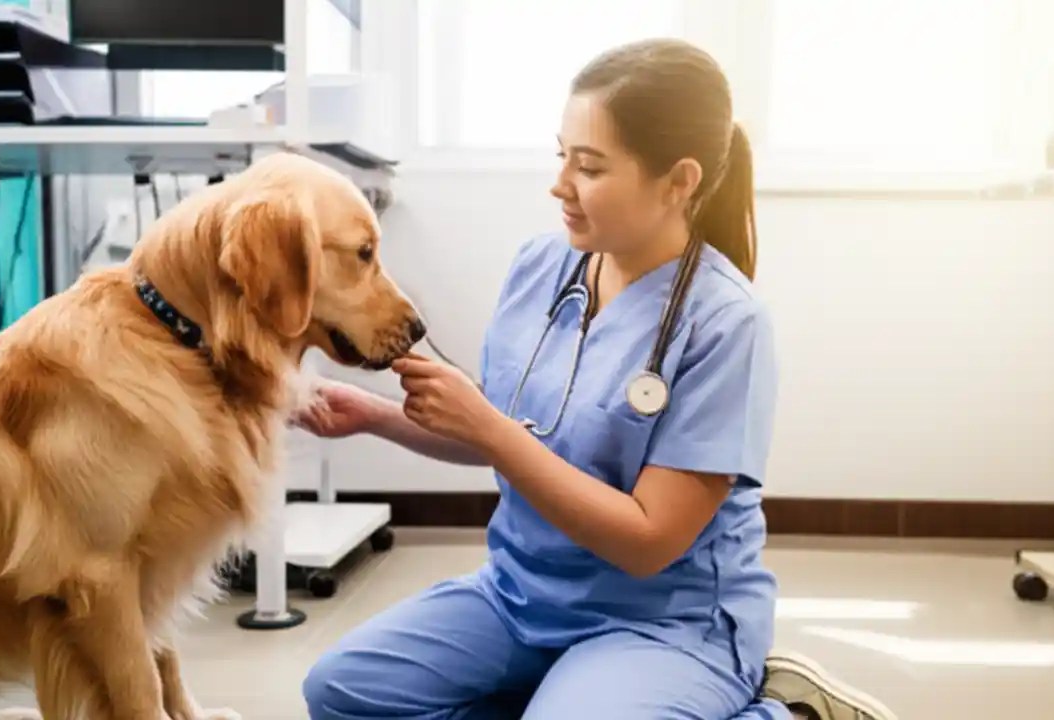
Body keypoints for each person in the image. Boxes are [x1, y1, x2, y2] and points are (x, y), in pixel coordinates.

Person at [297, 38, 896, 720]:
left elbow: (648, 541)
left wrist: (489, 428)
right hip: (523, 596)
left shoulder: (727, 326)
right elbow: (513, 432)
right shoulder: (540, 267)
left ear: (679, 182)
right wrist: (375, 414)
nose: (560, 185)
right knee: (344, 692)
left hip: (664, 622)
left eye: (589, 167)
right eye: (562, 157)